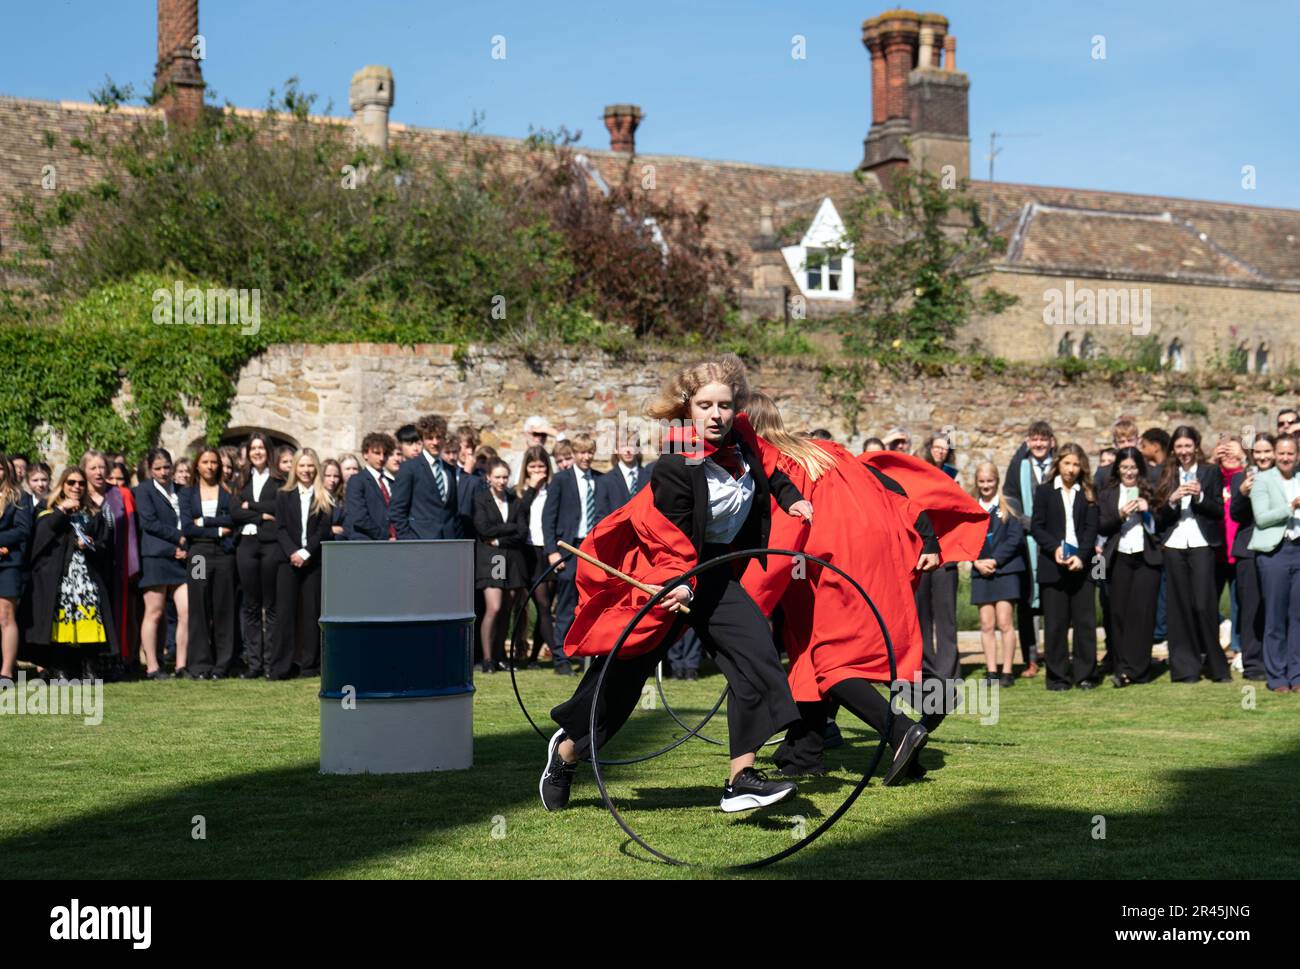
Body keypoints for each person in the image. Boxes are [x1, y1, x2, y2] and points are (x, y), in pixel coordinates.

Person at [540, 355, 815, 814]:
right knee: (627, 673)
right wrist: (679, 585)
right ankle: (567, 750)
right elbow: (672, 537)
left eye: (725, 405)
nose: (716, 414)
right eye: (705, 404)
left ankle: (741, 777)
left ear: (736, 408)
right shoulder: (675, 466)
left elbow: (771, 469)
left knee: (756, 655)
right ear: (689, 408)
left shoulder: (743, 442)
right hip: (668, 574)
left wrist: (792, 499)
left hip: (718, 573)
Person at [740, 393, 985, 782]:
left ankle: (901, 728)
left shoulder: (776, 463)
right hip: (865, 557)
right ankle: (804, 754)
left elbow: (782, 532)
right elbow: (893, 489)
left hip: (826, 562)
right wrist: (928, 538)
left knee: (830, 659)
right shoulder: (826, 450)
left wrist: (748, 596)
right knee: (815, 651)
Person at [24, 467, 117, 680]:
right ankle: (60, 668)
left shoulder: (93, 511)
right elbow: (41, 537)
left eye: (81, 483)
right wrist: (62, 510)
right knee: (61, 623)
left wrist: (93, 545)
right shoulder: (47, 507)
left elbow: (105, 544)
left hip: (87, 576)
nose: (76, 487)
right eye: (71, 483)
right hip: (59, 577)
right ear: (63, 485)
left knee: (89, 620)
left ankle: (89, 668)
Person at [1155, 426, 1230, 683]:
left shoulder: (1209, 472)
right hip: (1175, 544)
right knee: (1179, 607)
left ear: (1196, 446)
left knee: (1203, 604)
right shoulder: (1166, 472)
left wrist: (1199, 497)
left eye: (1188, 446)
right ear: (1173, 449)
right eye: (1179, 447)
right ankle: (1185, 669)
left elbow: (1219, 511)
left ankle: (1216, 666)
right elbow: (1158, 516)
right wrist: (1173, 500)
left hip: (1201, 543)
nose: (1184, 451)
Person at [1031, 442, 1100, 691]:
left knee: (1085, 624)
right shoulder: (1045, 492)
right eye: (1067, 463)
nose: (1071, 469)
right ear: (1058, 463)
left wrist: (1081, 556)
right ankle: (1058, 677)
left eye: (1075, 464)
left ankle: (1085, 675)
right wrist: (1054, 548)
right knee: (1056, 625)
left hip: (1083, 566)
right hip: (1053, 566)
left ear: (1082, 467)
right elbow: (1037, 526)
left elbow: (1092, 529)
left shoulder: (1089, 492)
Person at [1097, 447, 1163, 686]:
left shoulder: (1150, 490)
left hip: (1146, 559)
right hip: (1118, 558)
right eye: (1124, 468)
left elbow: (1162, 524)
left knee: (1142, 615)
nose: (1129, 472)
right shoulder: (1108, 493)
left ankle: (1139, 670)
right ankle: (1121, 666)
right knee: (1118, 614)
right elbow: (1101, 526)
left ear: (1140, 469)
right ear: (1117, 469)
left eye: (1133, 468)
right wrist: (1120, 514)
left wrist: (1149, 511)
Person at [542, 432, 602, 676]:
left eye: (589, 452)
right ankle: (561, 658)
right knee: (566, 604)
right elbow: (548, 517)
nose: (586, 457)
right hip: (568, 547)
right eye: (581, 453)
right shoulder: (561, 480)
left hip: (593, 548)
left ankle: (590, 654)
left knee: (592, 602)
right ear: (574, 454)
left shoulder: (601, 479)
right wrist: (552, 551)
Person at [272, 449, 335, 679]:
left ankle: (310, 665)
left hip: (313, 560)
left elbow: (323, 530)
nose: (306, 470)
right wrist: (293, 553)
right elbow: (279, 529)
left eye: (310, 466)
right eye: (302, 466)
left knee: (311, 613)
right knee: (285, 614)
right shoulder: (283, 495)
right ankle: (282, 666)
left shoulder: (324, 495)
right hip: (288, 562)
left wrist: (307, 552)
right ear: (295, 468)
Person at [1246, 432, 1300, 693]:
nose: (1286, 458)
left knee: (1298, 616)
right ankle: (1277, 677)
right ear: (1275, 455)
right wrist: (1291, 507)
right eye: (1282, 453)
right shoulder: (1263, 480)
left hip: (1299, 550)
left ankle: (1297, 674)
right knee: (1276, 617)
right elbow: (1262, 517)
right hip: (1274, 552)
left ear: (1297, 455)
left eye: (1291, 453)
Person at [181, 447, 237, 679]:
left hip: (223, 555)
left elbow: (233, 520)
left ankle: (223, 665)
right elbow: (188, 527)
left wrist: (205, 523)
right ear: (197, 465)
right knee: (199, 607)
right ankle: (200, 665)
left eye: (214, 462)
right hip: (198, 554)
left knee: (223, 608)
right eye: (205, 462)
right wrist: (218, 530)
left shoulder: (228, 491)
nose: (210, 466)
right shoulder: (187, 493)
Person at [1004, 420, 1055, 677]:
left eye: (1043, 439)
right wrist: (1032, 526)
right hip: (1026, 541)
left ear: (1051, 442)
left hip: (1054, 543)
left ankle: (1056, 655)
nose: (1038, 444)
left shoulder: (1059, 465)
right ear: (1027, 441)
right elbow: (1010, 500)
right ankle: (1031, 659)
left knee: (1054, 600)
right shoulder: (1018, 467)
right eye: (1034, 439)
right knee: (1028, 604)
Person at [231, 433, 283, 679]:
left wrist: (249, 506)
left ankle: (272, 664)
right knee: (250, 606)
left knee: (270, 606)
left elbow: (279, 508)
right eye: (253, 448)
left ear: (268, 451)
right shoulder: (240, 480)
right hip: (247, 544)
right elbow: (233, 512)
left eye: (261, 448)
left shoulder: (279, 480)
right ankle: (254, 665)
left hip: (271, 545)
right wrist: (261, 515)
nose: (257, 452)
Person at [134, 448, 190, 679]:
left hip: (186, 559)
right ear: (149, 470)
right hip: (156, 557)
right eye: (157, 468)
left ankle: (181, 664)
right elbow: (149, 523)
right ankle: (153, 666)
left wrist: (186, 547)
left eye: (167, 467)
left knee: (188, 610)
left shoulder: (183, 490)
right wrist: (177, 541)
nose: (163, 472)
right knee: (154, 612)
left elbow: (188, 519)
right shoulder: (143, 491)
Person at [82, 450, 138, 679]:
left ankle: (114, 664)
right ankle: (88, 665)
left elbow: (131, 531)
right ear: (84, 470)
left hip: (114, 563)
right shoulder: (79, 493)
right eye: (93, 468)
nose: (98, 472)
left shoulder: (117, 495)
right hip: (86, 565)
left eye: (101, 467)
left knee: (115, 614)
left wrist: (133, 565)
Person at [968, 461, 1025, 687]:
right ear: (976, 482)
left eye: (989, 481)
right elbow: (965, 539)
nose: (986, 486)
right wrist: (976, 561)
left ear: (996, 481)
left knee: (1005, 622)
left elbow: (1015, 538)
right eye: (981, 481)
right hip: (980, 571)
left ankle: (1007, 671)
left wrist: (995, 560)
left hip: (1006, 570)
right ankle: (991, 671)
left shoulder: (1009, 505)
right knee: (986, 624)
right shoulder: (971, 506)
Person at [472, 458, 529, 674]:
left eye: (505, 477)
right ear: (488, 478)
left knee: (507, 609)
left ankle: (500, 656)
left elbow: (522, 532)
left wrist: (499, 538)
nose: (502, 481)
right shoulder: (481, 499)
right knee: (494, 607)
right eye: (497, 477)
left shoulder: (515, 500)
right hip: (492, 559)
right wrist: (509, 529)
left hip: (512, 558)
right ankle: (487, 659)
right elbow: (483, 529)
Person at [914, 434, 960, 684]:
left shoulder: (955, 477)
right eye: (937, 447)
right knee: (921, 616)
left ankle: (949, 672)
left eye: (945, 448)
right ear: (929, 448)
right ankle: (927, 671)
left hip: (947, 553)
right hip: (921, 553)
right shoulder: (918, 475)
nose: (941, 452)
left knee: (946, 617)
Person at [1231, 433, 1274, 682]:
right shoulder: (1241, 477)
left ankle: (1277, 659)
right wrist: (1242, 493)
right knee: (1251, 608)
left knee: (1278, 607)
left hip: (1278, 548)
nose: (1262, 456)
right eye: (1257, 452)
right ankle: (1253, 664)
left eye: (1267, 451)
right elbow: (1236, 515)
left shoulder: (1284, 477)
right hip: (1248, 550)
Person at [514, 446, 557, 669]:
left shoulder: (553, 488)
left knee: (547, 606)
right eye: (533, 467)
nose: (538, 471)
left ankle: (534, 658)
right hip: (529, 551)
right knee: (541, 603)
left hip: (547, 548)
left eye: (541, 467)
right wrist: (531, 487)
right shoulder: (520, 491)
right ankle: (560, 656)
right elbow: (519, 513)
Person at [388, 415, 461, 540]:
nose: (435, 442)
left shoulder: (450, 470)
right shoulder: (409, 468)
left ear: (444, 439)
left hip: (448, 541)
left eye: (439, 437)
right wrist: (409, 539)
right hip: (419, 540)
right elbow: (397, 510)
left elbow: (451, 510)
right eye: (430, 438)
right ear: (422, 440)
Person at [1212, 436, 1247, 666]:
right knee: (1206, 601)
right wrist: (1212, 461)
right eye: (1226, 454)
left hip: (1238, 550)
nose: (1229, 458)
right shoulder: (1213, 476)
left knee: (1239, 602)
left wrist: (1243, 459)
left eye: (1234, 454)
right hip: (1215, 551)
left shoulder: (1246, 477)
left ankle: (1237, 648)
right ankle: (1211, 645)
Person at [0, 456, 32, 682]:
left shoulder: (20, 497)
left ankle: (7, 672)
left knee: (6, 616)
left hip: (8, 563)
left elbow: (23, 530)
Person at [346, 432, 397, 541]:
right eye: (377, 453)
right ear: (365, 454)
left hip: (394, 544)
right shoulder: (357, 481)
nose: (382, 458)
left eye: (385, 453)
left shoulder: (391, 482)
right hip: (367, 542)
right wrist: (386, 536)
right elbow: (359, 517)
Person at [322, 458, 347, 538]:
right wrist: (331, 530)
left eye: (336, 476)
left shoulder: (342, 499)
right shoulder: (314, 498)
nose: (332, 480)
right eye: (328, 476)